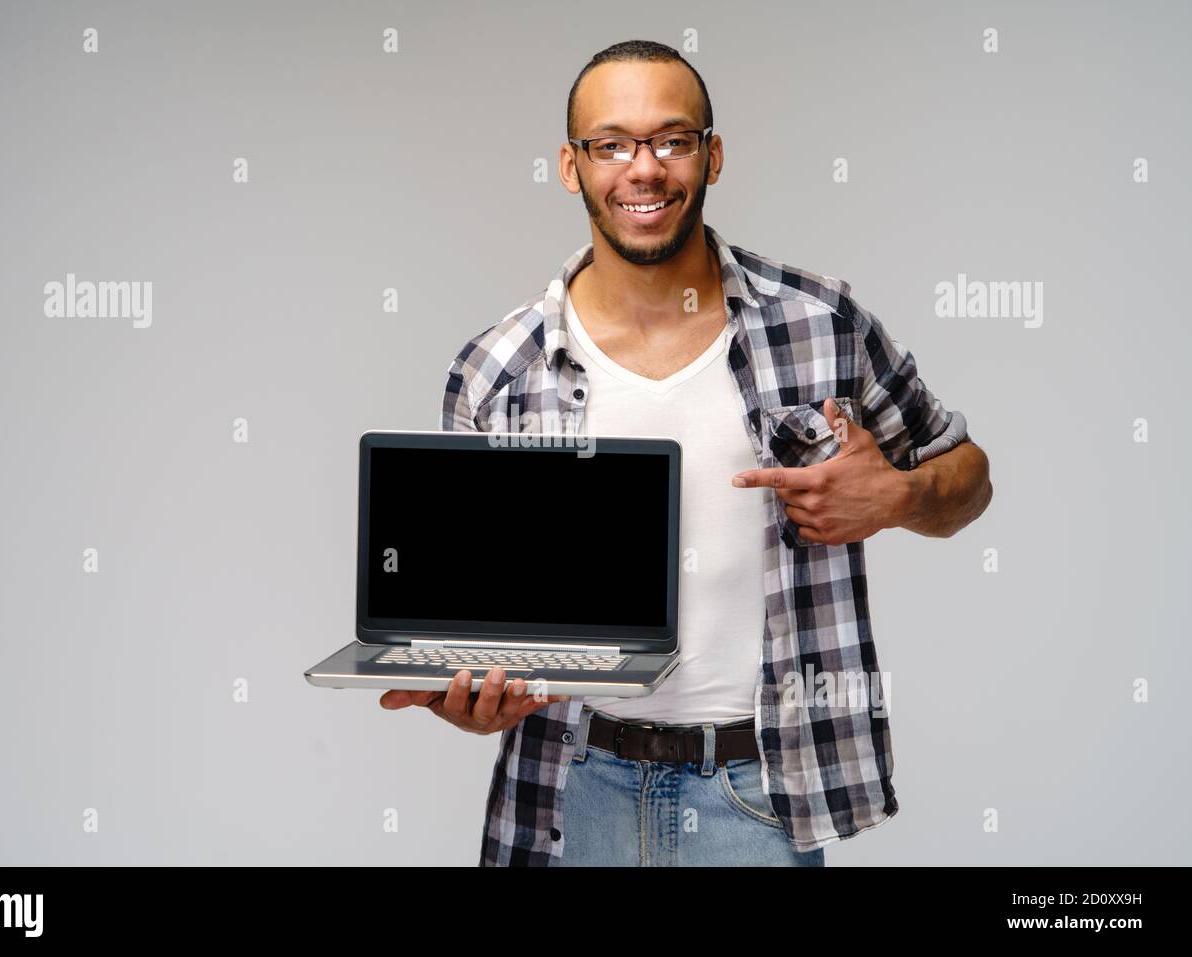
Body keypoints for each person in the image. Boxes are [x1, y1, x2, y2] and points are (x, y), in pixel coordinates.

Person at [380, 39, 993, 867]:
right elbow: (470, 617)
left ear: (712, 155)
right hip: (571, 789)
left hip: (758, 799)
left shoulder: (821, 324)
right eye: (613, 144)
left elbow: (968, 474)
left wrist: (899, 498)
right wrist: (470, 693)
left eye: (672, 139)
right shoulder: (496, 370)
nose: (645, 169)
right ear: (571, 165)